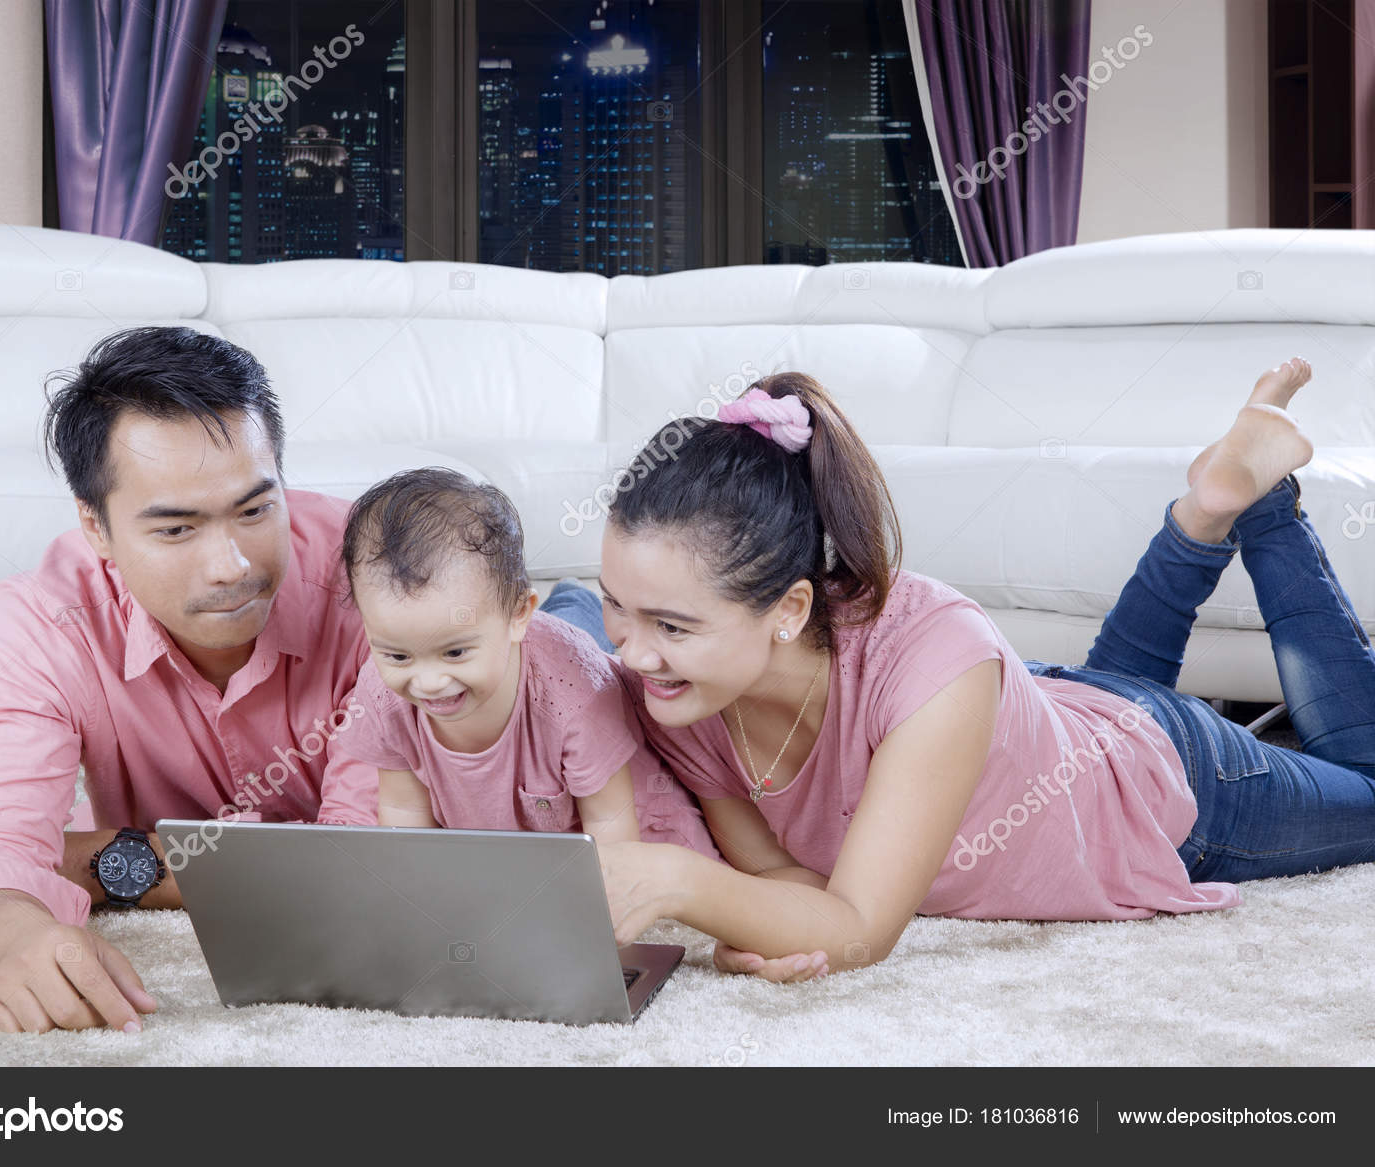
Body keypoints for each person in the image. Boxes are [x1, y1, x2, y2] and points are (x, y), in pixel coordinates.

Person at [562, 359, 1375, 983]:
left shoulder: (933, 656)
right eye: (616, 606)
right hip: (1047, 723)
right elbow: (784, 877)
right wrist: (772, 919)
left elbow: (860, 927)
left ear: (789, 608)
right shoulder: (685, 691)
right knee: (1088, 713)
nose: (630, 653)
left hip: (1164, 784)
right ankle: (1204, 511)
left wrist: (683, 881)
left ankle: (1263, 501)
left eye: (671, 625)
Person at [0, 327, 379, 1033]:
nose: (232, 566)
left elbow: (369, 867)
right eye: (176, 529)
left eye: (255, 509)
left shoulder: (379, 578)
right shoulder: (46, 619)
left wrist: (93, 861)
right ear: (95, 527)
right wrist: (15, 936)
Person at [324, 468, 717, 856]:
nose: (427, 682)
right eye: (398, 655)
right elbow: (404, 813)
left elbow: (612, 831)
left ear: (518, 614)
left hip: (627, 833)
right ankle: (570, 602)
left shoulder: (578, 700)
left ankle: (576, 602)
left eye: (455, 653)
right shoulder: (381, 694)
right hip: (509, 851)